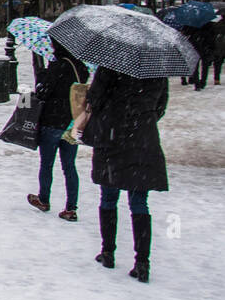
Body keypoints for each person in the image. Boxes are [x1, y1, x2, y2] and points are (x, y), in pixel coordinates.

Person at [71, 66, 170, 283]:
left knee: (108, 197)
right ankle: (142, 262)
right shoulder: (156, 69)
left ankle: (108, 252)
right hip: (143, 137)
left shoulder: (111, 65)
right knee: (139, 202)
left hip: (111, 136)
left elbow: (94, 100)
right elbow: (160, 106)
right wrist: (141, 117)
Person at [27, 43, 89, 221]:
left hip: (53, 121)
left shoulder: (57, 66)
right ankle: (71, 207)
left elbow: (43, 92)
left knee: (47, 163)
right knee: (69, 166)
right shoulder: (81, 68)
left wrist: (42, 75)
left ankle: (44, 199)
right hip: (73, 122)